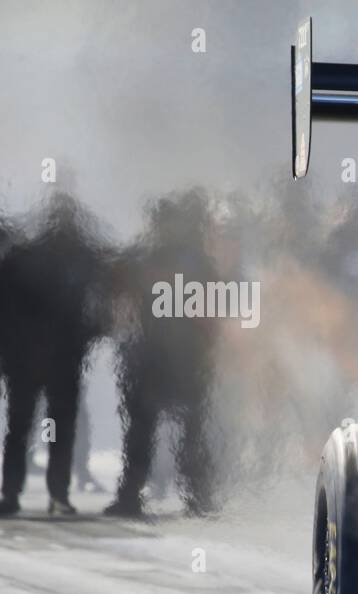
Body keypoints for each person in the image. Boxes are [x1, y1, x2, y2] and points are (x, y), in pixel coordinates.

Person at [105, 189, 220, 517]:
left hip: (176, 356)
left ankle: (192, 495)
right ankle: (178, 496)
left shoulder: (171, 260)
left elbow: (211, 311)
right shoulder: (171, 259)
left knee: (183, 431)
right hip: (164, 356)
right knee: (151, 430)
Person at [0, 192, 111, 516]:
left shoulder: (22, 258)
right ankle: (57, 492)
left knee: (20, 427)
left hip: (27, 359)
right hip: (63, 359)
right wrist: (85, 338)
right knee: (59, 427)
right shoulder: (82, 260)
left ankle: (12, 493)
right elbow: (100, 309)